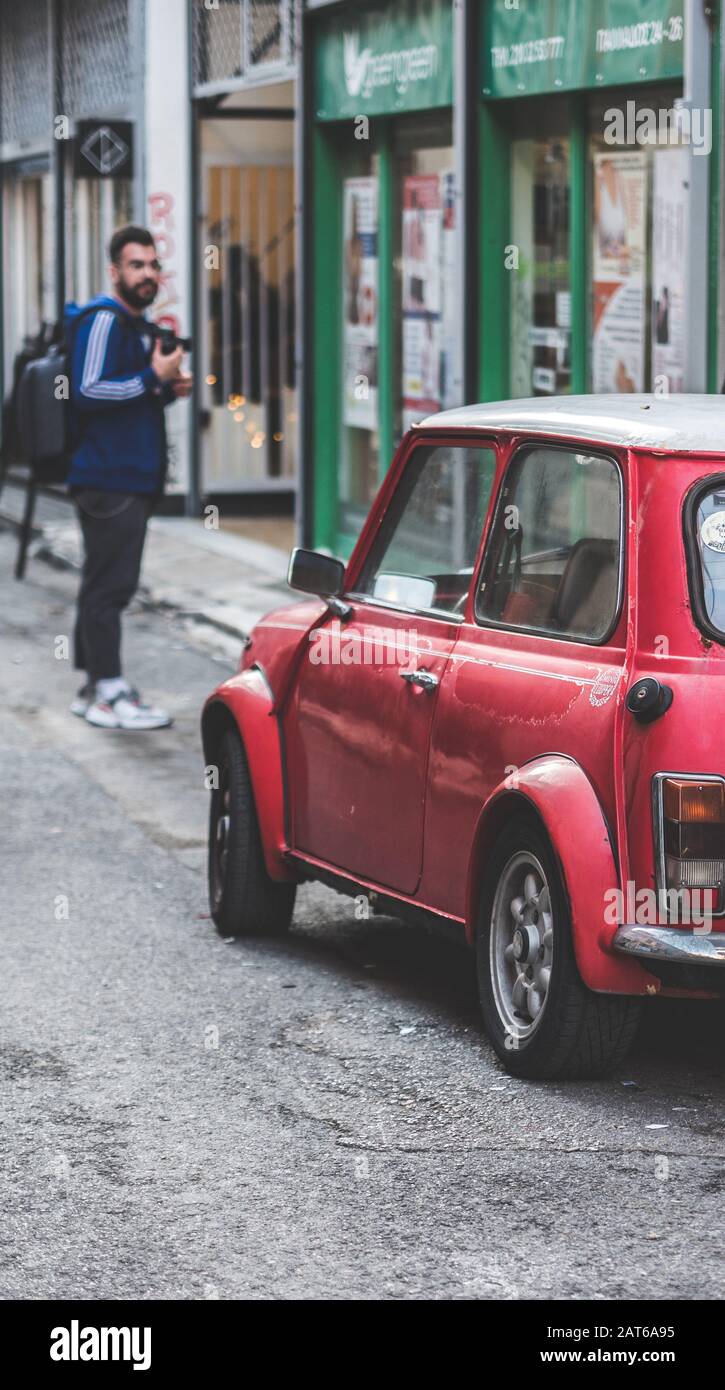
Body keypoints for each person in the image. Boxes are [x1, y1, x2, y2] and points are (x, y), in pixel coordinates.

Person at [65, 225, 192, 729]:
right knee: (111, 587)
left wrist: (164, 390)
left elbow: (129, 398)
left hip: (128, 478)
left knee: (102, 582)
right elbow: (88, 391)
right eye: (136, 265)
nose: (147, 273)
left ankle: (93, 685)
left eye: (153, 264)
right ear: (115, 272)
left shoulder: (138, 326)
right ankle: (110, 692)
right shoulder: (105, 321)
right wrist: (152, 379)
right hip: (108, 479)